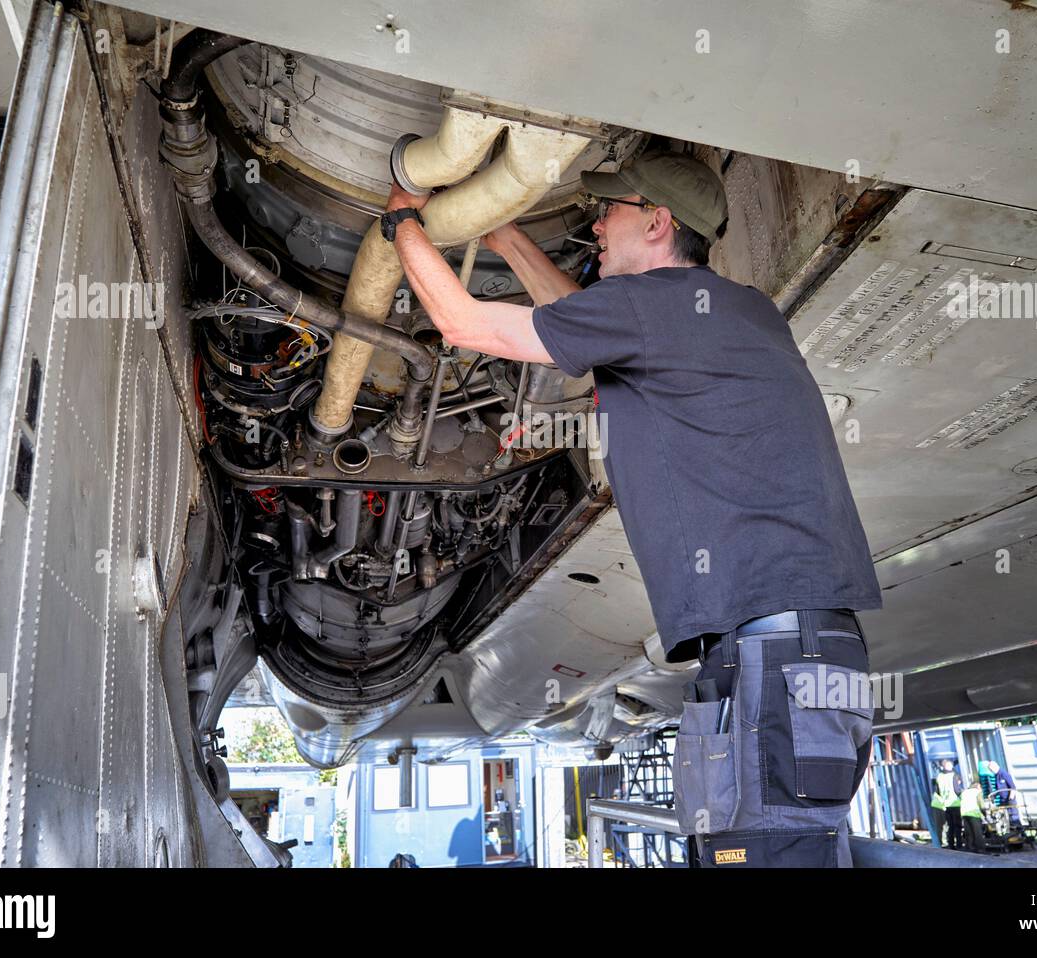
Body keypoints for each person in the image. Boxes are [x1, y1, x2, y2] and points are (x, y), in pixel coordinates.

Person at [383, 150, 881, 867]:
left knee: (756, 854)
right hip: (791, 651)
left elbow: (464, 325)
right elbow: (580, 327)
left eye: (610, 209)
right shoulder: (732, 310)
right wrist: (505, 238)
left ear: (657, 221)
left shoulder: (656, 310)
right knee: (755, 850)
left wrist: (400, 220)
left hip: (772, 659)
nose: (596, 226)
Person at [930, 759, 963, 850]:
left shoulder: (939, 776)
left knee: (950, 826)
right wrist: (962, 796)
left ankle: (951, 844)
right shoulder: (954, 775)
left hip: (946, 805)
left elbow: (938, 791)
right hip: (955, 803)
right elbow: (957, 790)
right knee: (958, 826)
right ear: (950, 766)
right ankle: (959, 844)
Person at [959, 778, 986, 853]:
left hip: (964, 814)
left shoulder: (964, 792)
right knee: (977, 833)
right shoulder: (977, 792)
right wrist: (984, 814)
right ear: (978, 786)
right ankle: (980, 848)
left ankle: (970, 847)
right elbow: (981, 805)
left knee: (969, 832)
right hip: (974, 814)